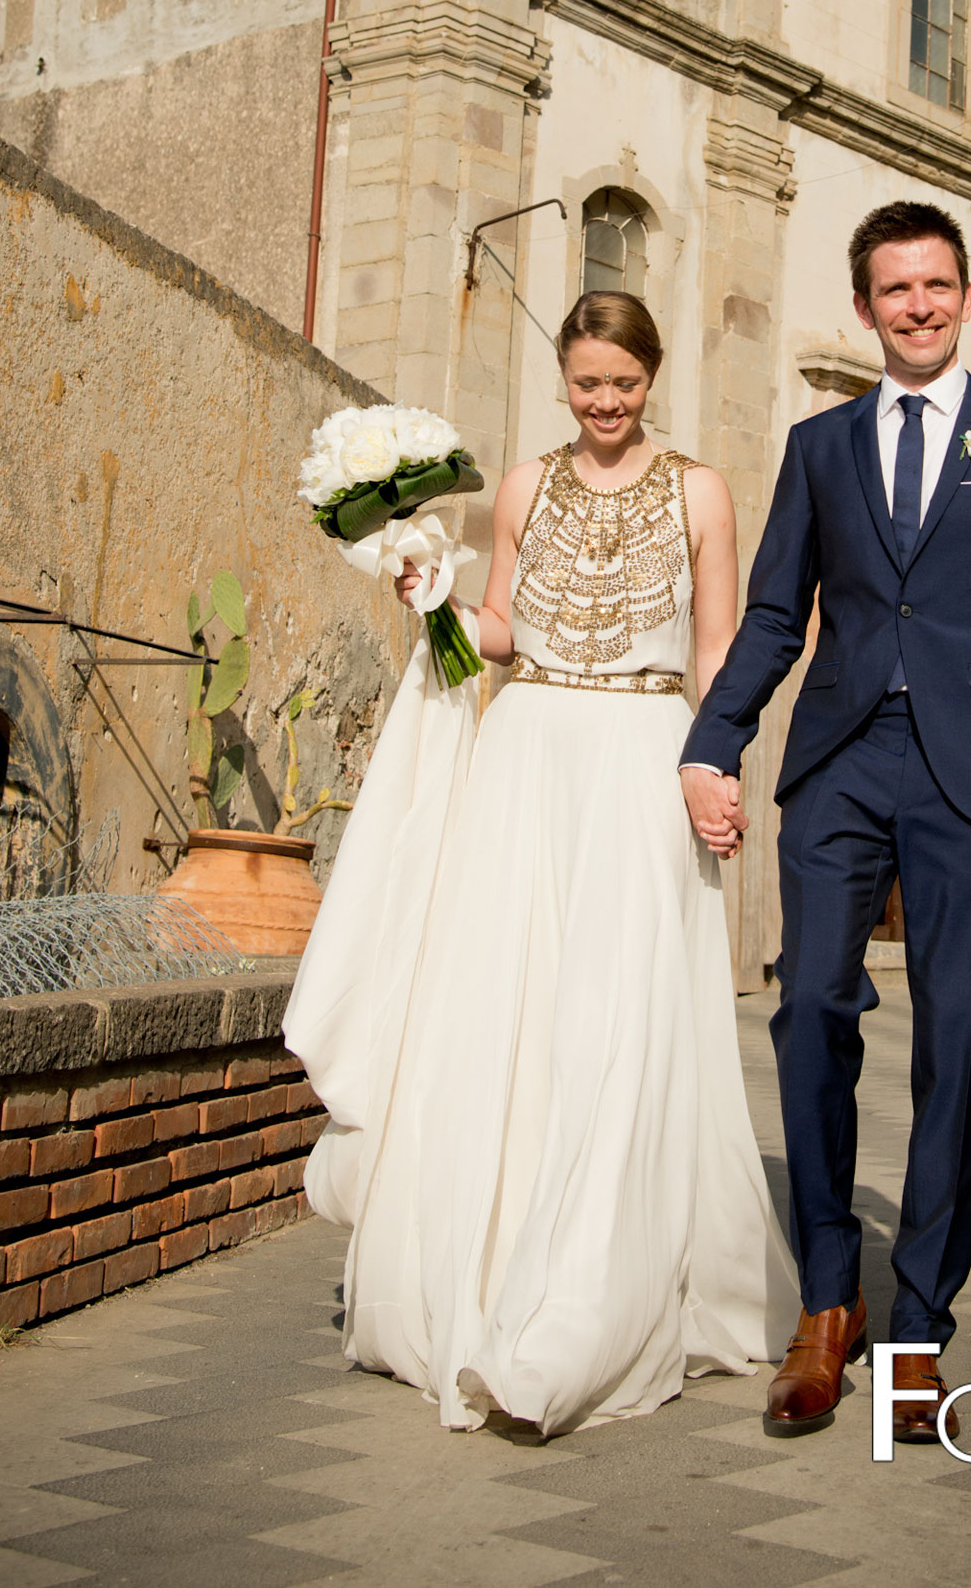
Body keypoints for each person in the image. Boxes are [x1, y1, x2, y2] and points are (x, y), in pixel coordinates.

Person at [286, 290, 795, 1436]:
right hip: (527, 756)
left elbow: (716, 646)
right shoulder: (521, 484)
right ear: (562, 379)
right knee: (512, 1002)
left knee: (620, 1014)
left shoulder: (702, 490)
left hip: (644, 757)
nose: (604, 403)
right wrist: (440, 598)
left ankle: (594, 1287)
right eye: (585, 385)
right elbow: (502, 631)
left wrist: (719, 767)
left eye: (622, 384)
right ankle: (489, 1266)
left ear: (650, 376)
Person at [679, 201, 971, 1441]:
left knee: (957, 1042)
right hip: (839, 760)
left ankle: (919, 1321)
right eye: (892, 289)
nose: (915, 306)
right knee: (809, 1005)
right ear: (865, 306)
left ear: (964, 297)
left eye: (934, 285)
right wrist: (714, 739)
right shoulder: (820, 449)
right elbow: (773, 615)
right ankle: (830, 1305)